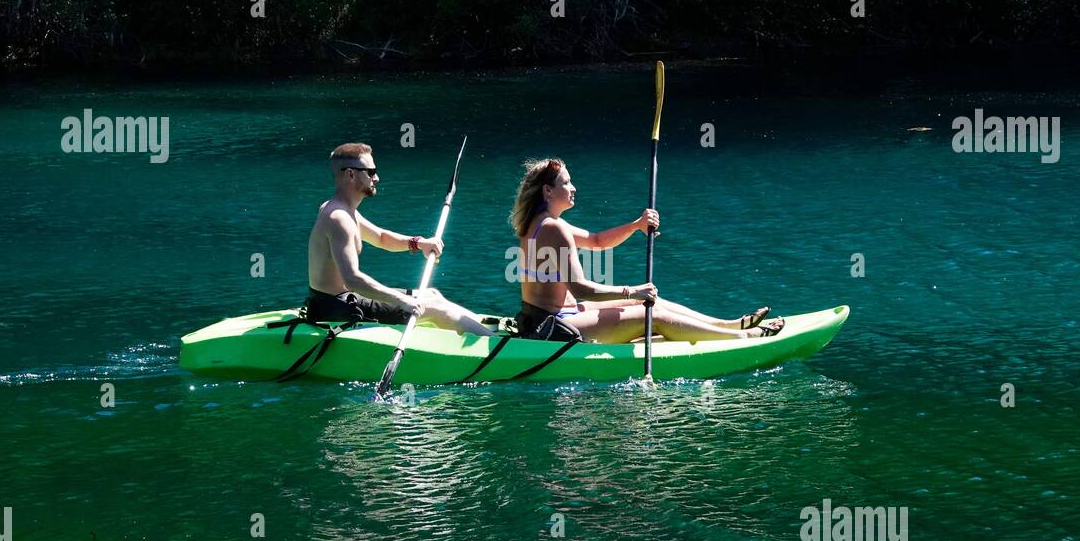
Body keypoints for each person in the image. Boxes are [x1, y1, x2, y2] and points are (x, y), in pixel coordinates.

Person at [509, 158, 783, 343]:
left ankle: (730, 325)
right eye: (566, 183)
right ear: (547, 191)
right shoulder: (553, 229)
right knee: (654, 313)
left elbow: (596, 241)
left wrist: (637, 225)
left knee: (653, 303)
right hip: (553, 329)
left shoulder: (540, 224)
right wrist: (632, 290)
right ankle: (744, 339)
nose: (573, 188)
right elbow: (581, 289)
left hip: (551, 318)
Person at [306, 143, 493, 336]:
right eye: (370, 172)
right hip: (337, 309)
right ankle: (499, 347)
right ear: (351, 175)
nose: (376, 178)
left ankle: (490, 332)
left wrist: (419, 243)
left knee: (432, 295)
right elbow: (352, 279)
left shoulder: (343, 210)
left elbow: (381, 238)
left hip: (342, 300)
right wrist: (402, 301)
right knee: (439, 309)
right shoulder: (338, 218)